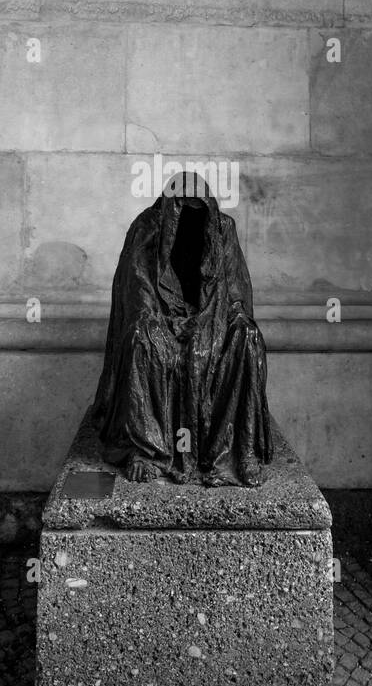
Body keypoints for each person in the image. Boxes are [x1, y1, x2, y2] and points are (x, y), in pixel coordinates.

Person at [92, 172, 274, 486]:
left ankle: (237, 449)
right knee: (140, 336)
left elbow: (235, 292)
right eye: (180, 210)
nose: (188, 218)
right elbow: (138, 291)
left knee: (246, 336)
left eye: (197, 210)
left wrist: (218, 321)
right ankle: (144, 449)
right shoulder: (146, 228)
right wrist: (167, 323)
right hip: (162, 319)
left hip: (209, 321)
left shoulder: (222, 229)